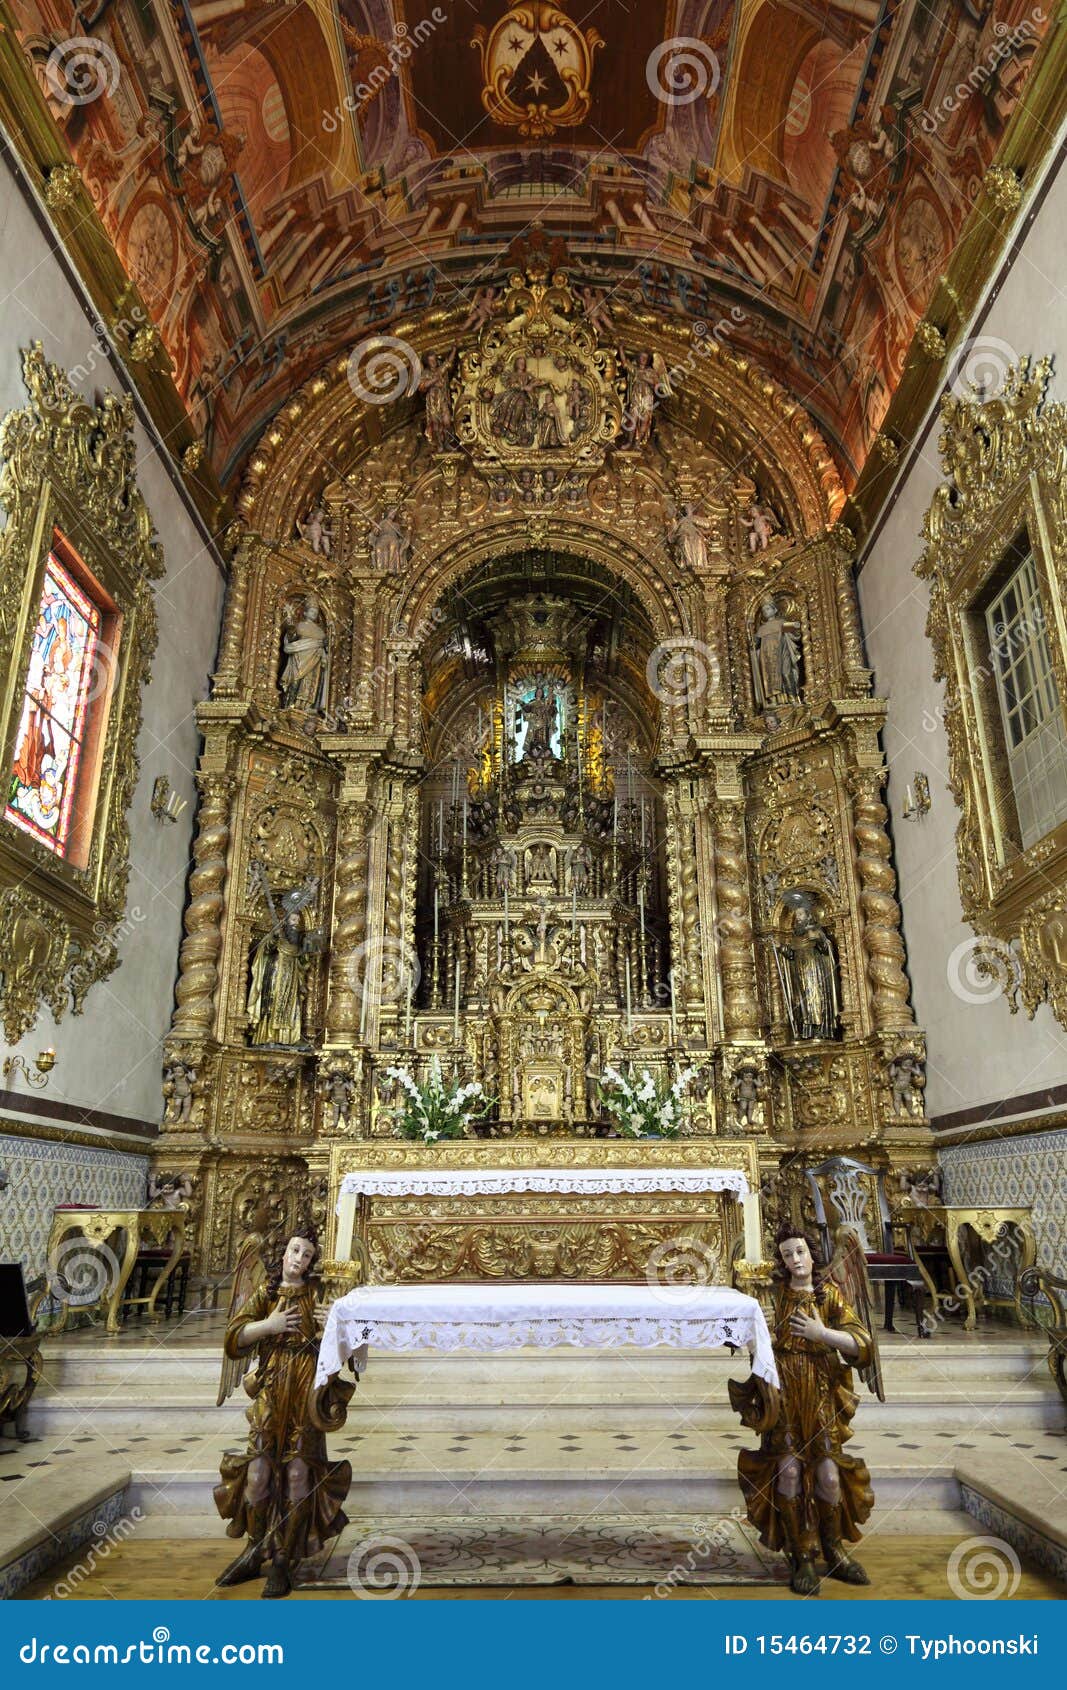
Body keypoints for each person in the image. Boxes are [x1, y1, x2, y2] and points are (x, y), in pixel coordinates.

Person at [730, 1222, 876, 1595]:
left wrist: (822, 1334)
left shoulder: (829, 1296)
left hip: (823, 1393)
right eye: (787, 1254)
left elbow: (862, 1343)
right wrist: (754, 1337)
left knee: (828, 1475)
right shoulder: (774, 1296)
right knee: (790, 1471)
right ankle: (801, 1554)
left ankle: (833, 1548)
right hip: (783, 1397)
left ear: (812, 1254)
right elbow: (747, 1342)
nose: (795, 1260)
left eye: (800, 1252)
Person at [215, 1230, 353, 1598]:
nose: (299, 1259)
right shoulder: (266, 1293)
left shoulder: (321, 1297)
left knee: (297, 1473)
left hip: (307, 1392)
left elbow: (348, 1353)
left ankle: (282, 1561)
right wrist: (269, 1326)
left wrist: (334, 1327)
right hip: (274, 1389)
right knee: (258, 1472)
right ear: (283, 1253)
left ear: (312, 1262)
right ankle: (256, 1546)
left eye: (307, 1255)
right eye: (295, 1250)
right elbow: (234, 1339)